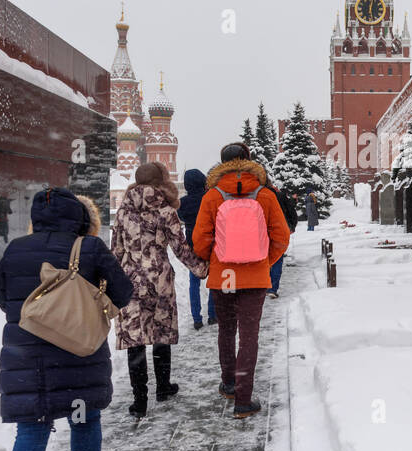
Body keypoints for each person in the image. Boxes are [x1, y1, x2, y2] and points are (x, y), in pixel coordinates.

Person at [0, 187, 134, 451]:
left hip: (26, 356)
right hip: (79, 352)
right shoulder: (88, 247)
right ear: (80, 218)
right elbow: (123, 291)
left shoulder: (15, 250)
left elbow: (4, 299)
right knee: (84, 417)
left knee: (31, 432)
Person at [192, 143, 291, 419]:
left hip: (223, 274)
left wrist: (215, 258)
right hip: (255, 276)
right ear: (248, 161)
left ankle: (229, 383)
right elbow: (281, 236)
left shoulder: (212, 196)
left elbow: (200, 240)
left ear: (221, 163)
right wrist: (263, 262)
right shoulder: (265, 194)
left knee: (226, 330)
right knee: (249, 336)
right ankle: (243, 400)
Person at [112, 162, 208, 417]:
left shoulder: (122, 212)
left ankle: (139, 400)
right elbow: (180, 248)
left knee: (136, 339)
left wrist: (111, 281)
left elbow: (116, 252)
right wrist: (202, 270)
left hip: (129, 281)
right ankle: (163, 387)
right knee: (160, 333)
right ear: (160, 182)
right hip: (159, 280)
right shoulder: (166, 211)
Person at [177, 168, 217, 330]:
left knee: (194, 283)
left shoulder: (183, 203)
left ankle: (196, 318)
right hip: (210, 243)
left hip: (192, 246)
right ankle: (213, 315)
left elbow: (181, 217)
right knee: (213, 281)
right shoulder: (209, 199)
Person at [265, 177, 297, 299]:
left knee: (264, 260)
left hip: (262, 231)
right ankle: (272, 288)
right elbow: (291, 210)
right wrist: (292, 225)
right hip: (279, 230)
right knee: (277, 259)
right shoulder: (279, 195)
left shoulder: (257, 195)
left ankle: (264, 285)